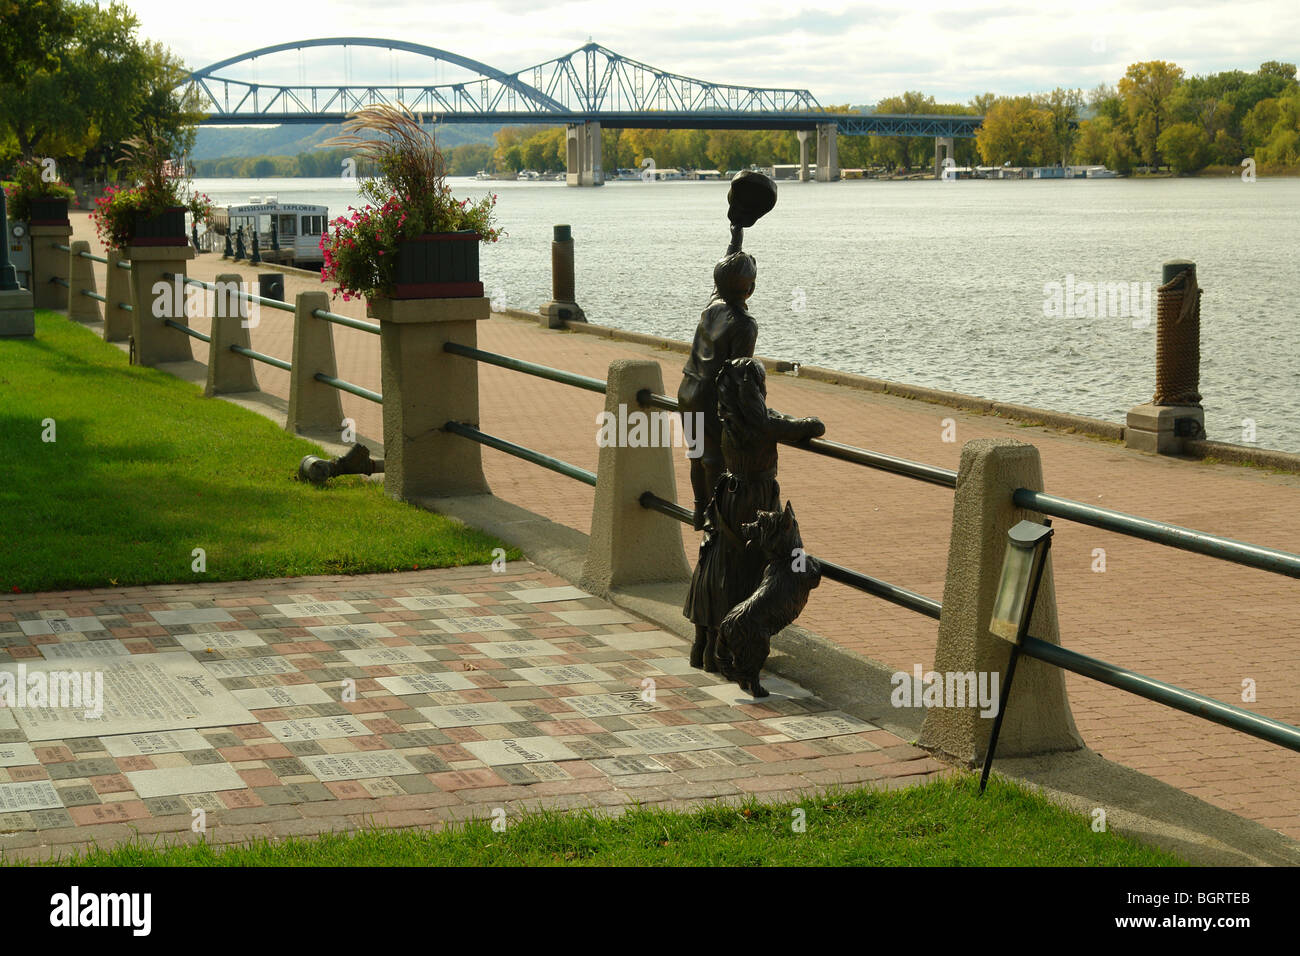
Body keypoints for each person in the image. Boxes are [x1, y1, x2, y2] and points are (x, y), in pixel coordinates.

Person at [684, 358, 824, 672]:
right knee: (746, 570)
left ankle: (703, 649)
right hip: (755, 498)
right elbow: (813, 426)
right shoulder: (763, 422)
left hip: (729, 494)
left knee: (717, 562)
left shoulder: (727, 415)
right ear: (754, 390)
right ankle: (730, 651)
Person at [676, 249, 759, 531]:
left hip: (687, 389)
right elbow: (738, 376)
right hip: (710, 396)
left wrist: (736, 230)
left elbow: (723, 277)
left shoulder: (712, 307)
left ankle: (700, 510)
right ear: (751, 288)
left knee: (696, 452)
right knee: (714, 459)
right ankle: (716, 516)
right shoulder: (744, 325)